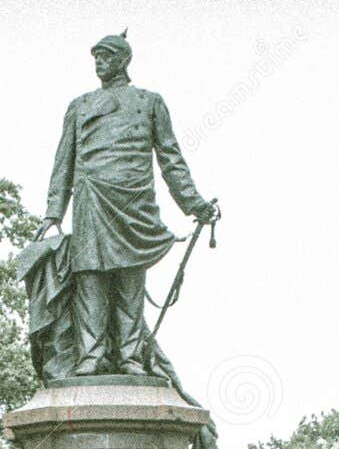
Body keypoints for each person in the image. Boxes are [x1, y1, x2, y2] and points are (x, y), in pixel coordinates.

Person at [35, 32, 219, 374]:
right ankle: (91, 356)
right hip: (91, 201)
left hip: (134, 203)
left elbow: (170, 158)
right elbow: (63, 162)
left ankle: (130, 357)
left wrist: (194, 204)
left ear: (124, 60)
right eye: (96, 58)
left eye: (106, 57)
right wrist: (52, 213)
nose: (99, 63)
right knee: (90, 278)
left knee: (130, 281)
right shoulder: (80, 106)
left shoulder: (150, 102)